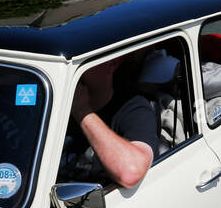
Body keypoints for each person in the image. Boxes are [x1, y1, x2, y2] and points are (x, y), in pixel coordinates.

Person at [64, 49, 168, 189]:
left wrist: (81, 110)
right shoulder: (50, 101)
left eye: (83, 63)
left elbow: (131, 173)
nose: (72, 72)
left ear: (113, 63)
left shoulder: (134, 109)